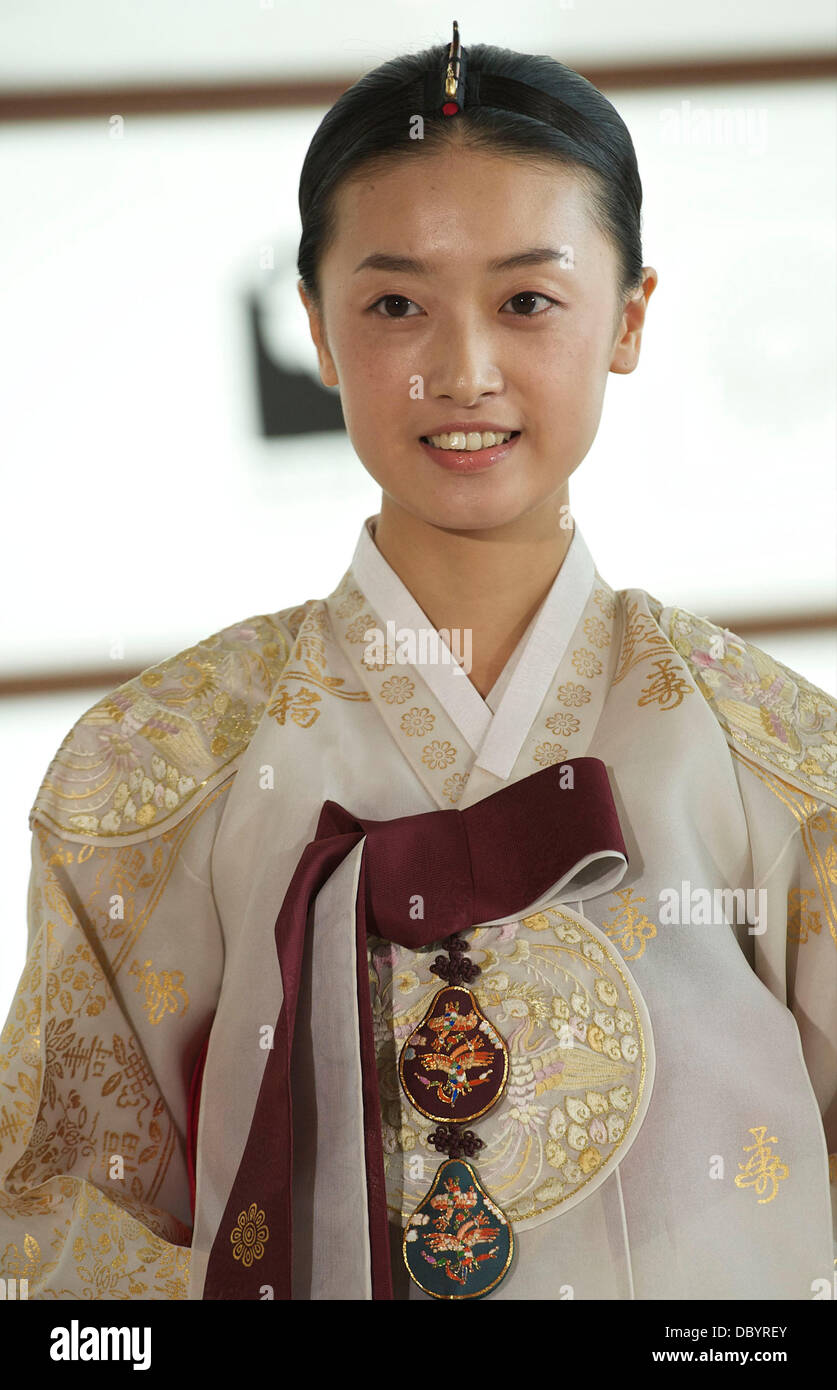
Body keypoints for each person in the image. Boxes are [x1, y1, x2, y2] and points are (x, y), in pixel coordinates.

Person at [1, 24, 835, 1302]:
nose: (463, 370)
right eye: (395, 303)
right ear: (317, 333)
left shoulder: (782, 763)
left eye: (527, 300)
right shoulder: (152, 770)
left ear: (629, 316)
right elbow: (56, 1220)